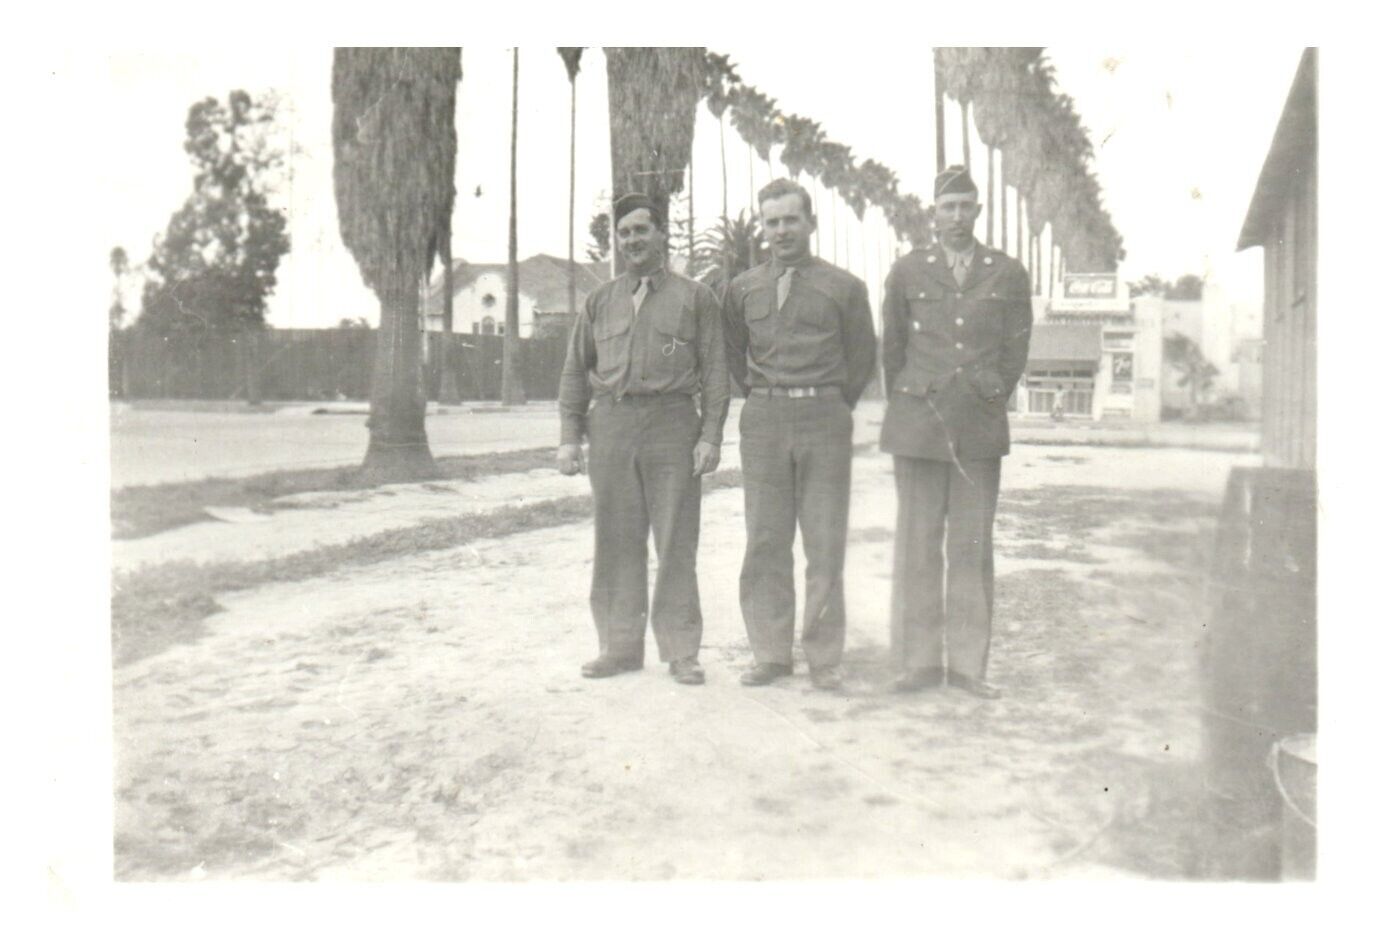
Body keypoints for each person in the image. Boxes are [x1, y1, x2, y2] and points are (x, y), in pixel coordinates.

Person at [557, 193, 729, 686]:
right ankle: (618, 647)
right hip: (610, 423)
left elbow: (716, 373)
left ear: (661, 235)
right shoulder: (600, 300)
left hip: (673, 423)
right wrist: (570, 436)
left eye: (641, 230)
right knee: (615, 539)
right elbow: (575, 370)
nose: (632, 240)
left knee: (676, 539)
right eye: (625, 232)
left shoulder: (696, 298)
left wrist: (711, 436)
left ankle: (681, 651)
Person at [879, 165, 1032, 699]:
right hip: (919, 425)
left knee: (970, 548)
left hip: (978, 429)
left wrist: (988, 392)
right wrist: (915, 395)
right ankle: (918, 663)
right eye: (948, 207)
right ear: (934, 213)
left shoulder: (1007, 274)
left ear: (979, 211)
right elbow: (891, 351)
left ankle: (968, 667)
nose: (957, 217)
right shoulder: (907, 272)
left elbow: (1015, 350)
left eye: (966, 206)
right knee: (918, 547)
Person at [721, 178, 877, 691]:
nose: (782, 230)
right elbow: (734, 354)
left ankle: (824, 656)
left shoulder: (845, 287)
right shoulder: (743, 288)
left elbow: (861, 360)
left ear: (810, 222)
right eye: (772, 222)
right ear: (762, 229)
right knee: (765, 539)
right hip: (765, 421)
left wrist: (827, 400)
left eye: (791, 219)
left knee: (824, 542)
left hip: (824, 420)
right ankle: (769, 653)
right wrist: (768, 396)